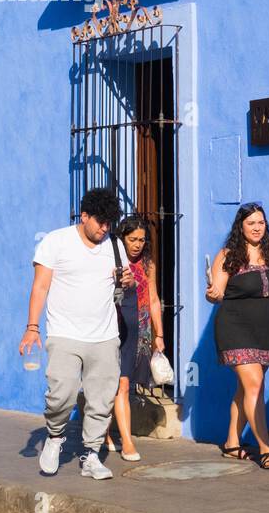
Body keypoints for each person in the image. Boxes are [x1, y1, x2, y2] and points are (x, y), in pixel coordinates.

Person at [19, 187, 132, 480]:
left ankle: (91, 454)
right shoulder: (56, 242)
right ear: (84, 216)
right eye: (100, 222)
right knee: (61, 393)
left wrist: (128, 281)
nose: (104, 228)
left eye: (110, 223)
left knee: (102, 399)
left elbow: (123, 286)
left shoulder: (116, 246)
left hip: (105, 336)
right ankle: (55, 437)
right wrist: (32, 328)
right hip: (65, 333)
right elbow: (40, 287)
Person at [207, 202, 269, 470]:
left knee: (246, 389)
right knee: (255, 385)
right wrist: (212, 294)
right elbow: (218, 292)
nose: (257, 228)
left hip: (264, 331)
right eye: (251, 223)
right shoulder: (228, 255)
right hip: (235, 327)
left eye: (261, 222)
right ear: (240, 227)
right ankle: (266, 448)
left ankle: (232, 444)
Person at [103, 216, 165, 460]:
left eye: (142, 240)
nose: (138, 244)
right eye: (132, 239)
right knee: (112, 384)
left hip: (137, 329)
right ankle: (114, 437)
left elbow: (153, 299)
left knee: (124, 384)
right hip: (110, 327)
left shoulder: (147, 263)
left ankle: (123, 439)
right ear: (121, 238)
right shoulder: (110, 260)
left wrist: (158, 333)